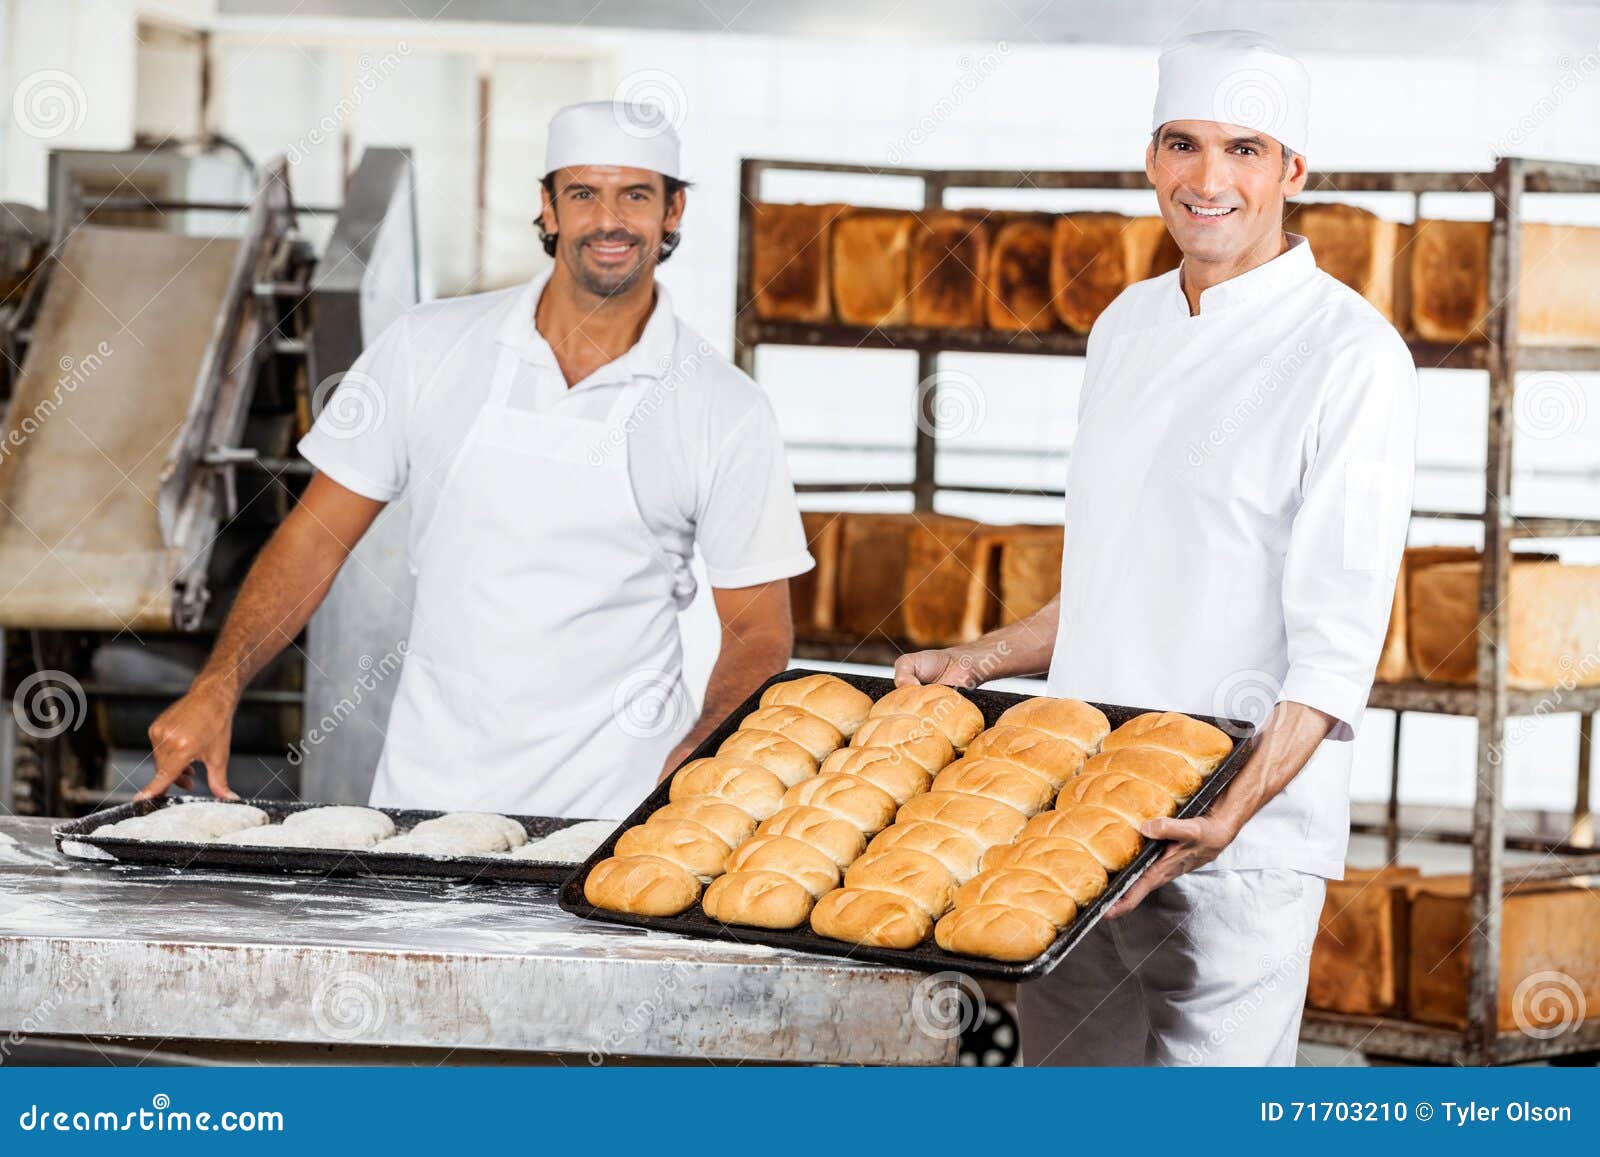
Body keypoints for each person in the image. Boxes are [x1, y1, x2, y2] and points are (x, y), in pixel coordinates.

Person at [895, 30, 1418, 1065]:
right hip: (1074, 815)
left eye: (1244, 149)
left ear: (1293, 172)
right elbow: (1110, 581)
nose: (1208, 178)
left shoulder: (1351, 356)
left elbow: (1335, 645)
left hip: (1235, 846)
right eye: (1182, 144)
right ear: (1151, 161)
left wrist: (1229, 810)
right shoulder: (1125, 324)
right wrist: (980, 661)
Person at [140, 101, 813, 820]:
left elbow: (758, 629)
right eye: (583, 193)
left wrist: (704, 748)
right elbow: (314, 536)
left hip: (613, 813)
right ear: (548, 209)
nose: (609, 220)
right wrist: (220, 684)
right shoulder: (427, 347)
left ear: (673, 211)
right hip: (422, 807)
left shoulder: (724, 407)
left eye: (636, 195)